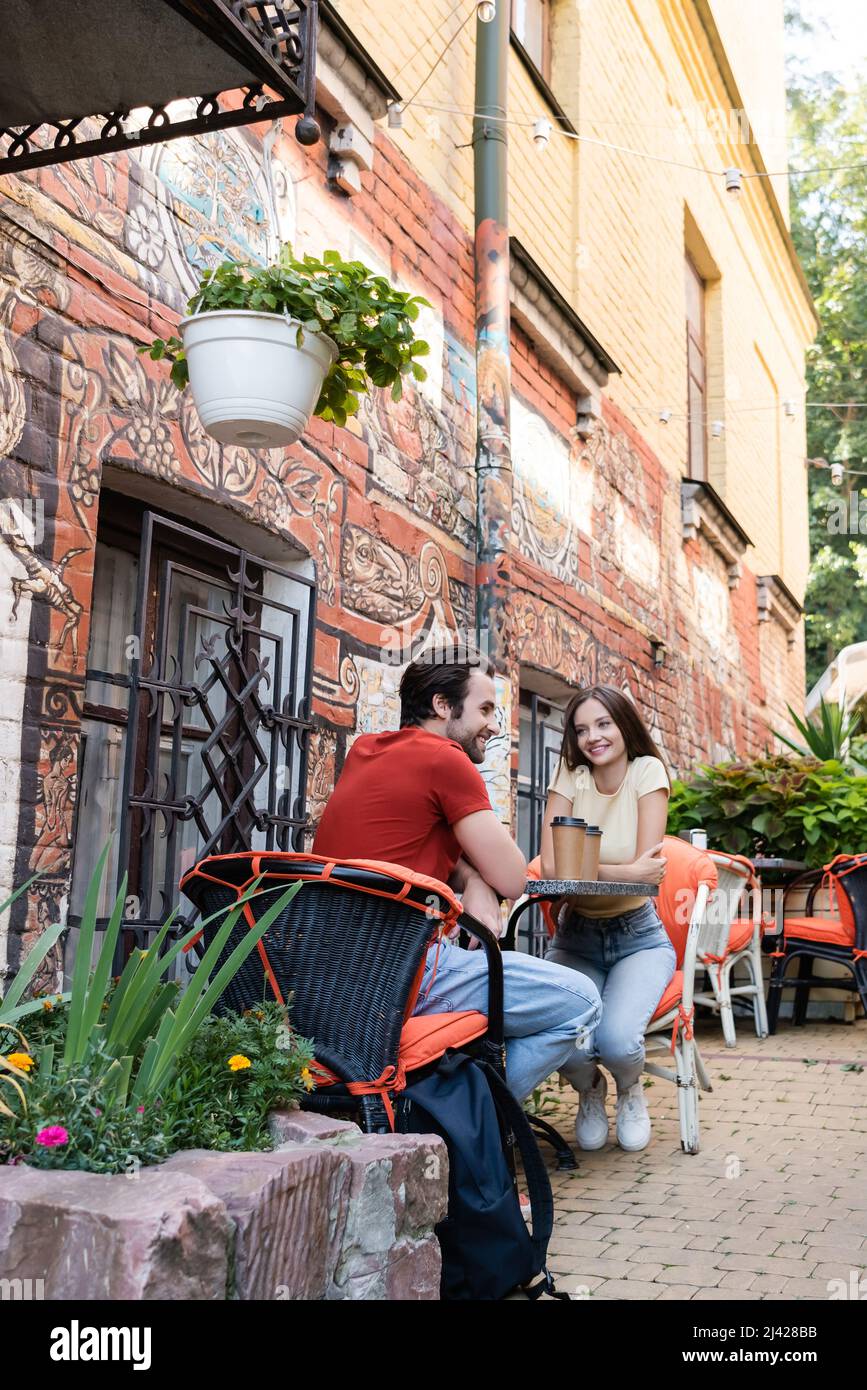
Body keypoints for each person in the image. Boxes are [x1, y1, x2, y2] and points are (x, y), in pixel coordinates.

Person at [313, 653, 602, 1104]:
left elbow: (418, 842)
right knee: (581, 1001)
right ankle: (469, 1117)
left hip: (326, 972)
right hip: (404, 969)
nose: (496, 726)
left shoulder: (365, 752)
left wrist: (470, 879)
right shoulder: (447, 760)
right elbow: (512, 878)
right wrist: (484, 881)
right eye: (485, 710)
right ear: (443, 706)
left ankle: (448, 1103)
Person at [540, 684, 674, 1153]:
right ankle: (590, 1090)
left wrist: (587, 868)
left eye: (602, 724)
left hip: (638, 937)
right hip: (576, 936)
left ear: (623, 724)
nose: (592, 737)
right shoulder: (570, 776)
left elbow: (646, 875)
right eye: (580, 730)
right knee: (566, 1042)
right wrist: (617, 870)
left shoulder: (647, 772)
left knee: (617, 1042)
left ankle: (630, 1088)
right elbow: (551, 868)